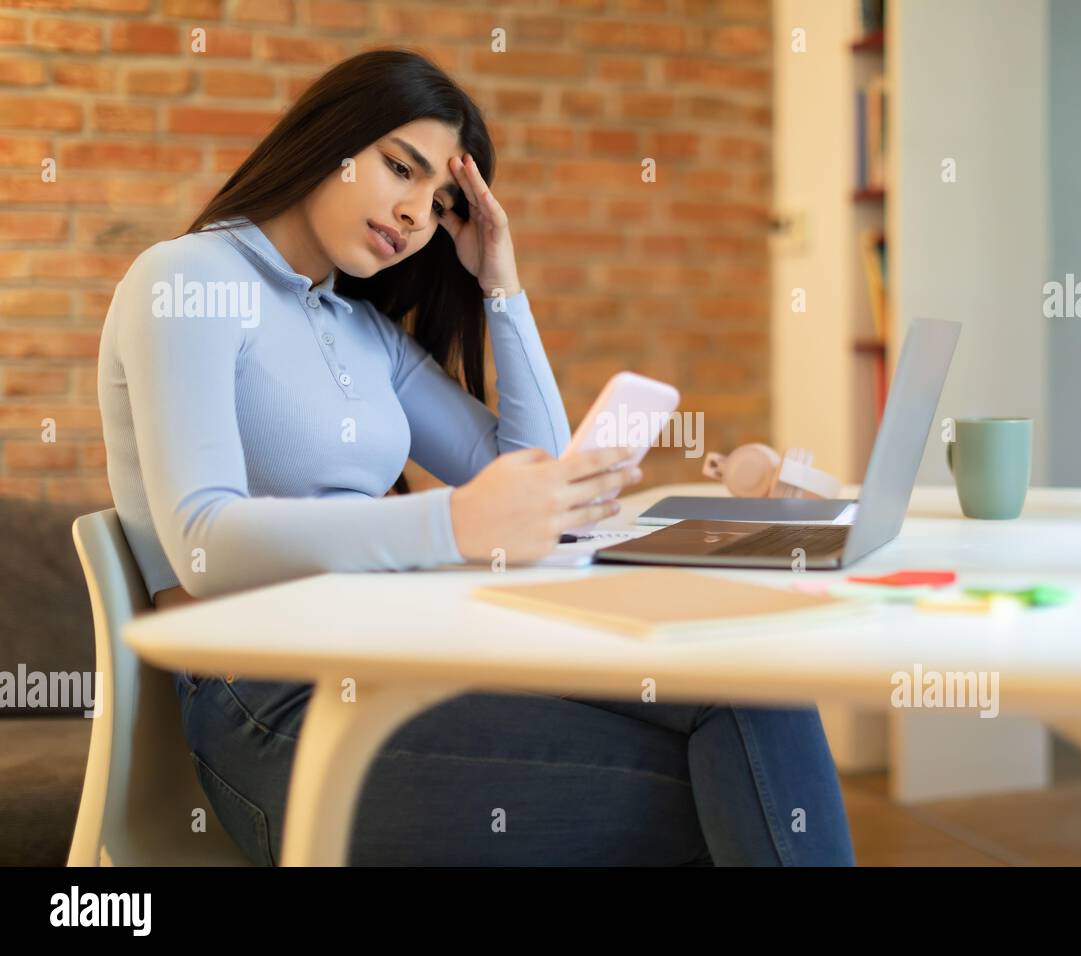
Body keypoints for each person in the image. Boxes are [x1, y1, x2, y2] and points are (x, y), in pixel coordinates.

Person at [98, 48, 856, 866]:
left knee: (750, 689)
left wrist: (502, 283)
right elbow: (203, 544)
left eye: (442, 199)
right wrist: (453, 523)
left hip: (398, 660)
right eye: (401, 169)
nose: (418, 213)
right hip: (276, 710)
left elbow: (543, 472)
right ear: (329, 138)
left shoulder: (362, 332)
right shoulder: (184, 281)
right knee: (729, 793)